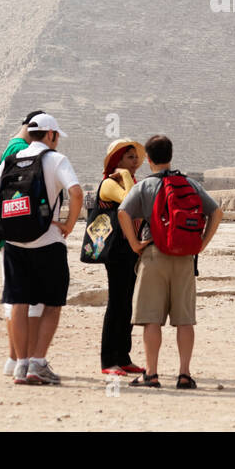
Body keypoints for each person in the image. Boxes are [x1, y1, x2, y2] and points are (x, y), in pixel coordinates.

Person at [0, 112, 83, 386]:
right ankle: (38, 363)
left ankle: (21, 366)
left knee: (18, 304)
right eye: (57, 136)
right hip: (48, 243)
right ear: (51, 135)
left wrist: (4, 222)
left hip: (13, 244)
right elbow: (76, 192)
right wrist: (68, 224)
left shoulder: (12, 160)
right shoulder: (56, 159)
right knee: (52, 304)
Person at [116, 135, 222, 389]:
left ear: (148, 160)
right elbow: (216, 211)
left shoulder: (144, 186)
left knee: (151, 318)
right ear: (171, 156)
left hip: (153, 255)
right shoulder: (189, 183)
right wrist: (202, 244)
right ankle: (184, 374)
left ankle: (151, 374)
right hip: (185, 257)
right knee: (184, 319)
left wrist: (133, 244)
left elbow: (123, 212)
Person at [0, 110, 46, 377]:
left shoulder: (14, 147)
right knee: (27, 302)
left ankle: (15, 359)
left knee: (15, 301)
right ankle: (20, 359)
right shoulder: (20, 150)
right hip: (22, 236)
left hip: (12, 234)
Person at [96, 138, 147, 376]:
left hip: (131, 250)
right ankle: (109, 359)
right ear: (117, 161)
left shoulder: (132, 181)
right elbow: (130, 203)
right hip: (116, 251)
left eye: (135, 156)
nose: (135, 160)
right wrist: (125, 175)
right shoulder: (109, 183)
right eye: (129, 157)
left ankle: (123, 355)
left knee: (128, 302)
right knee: (116, 303)